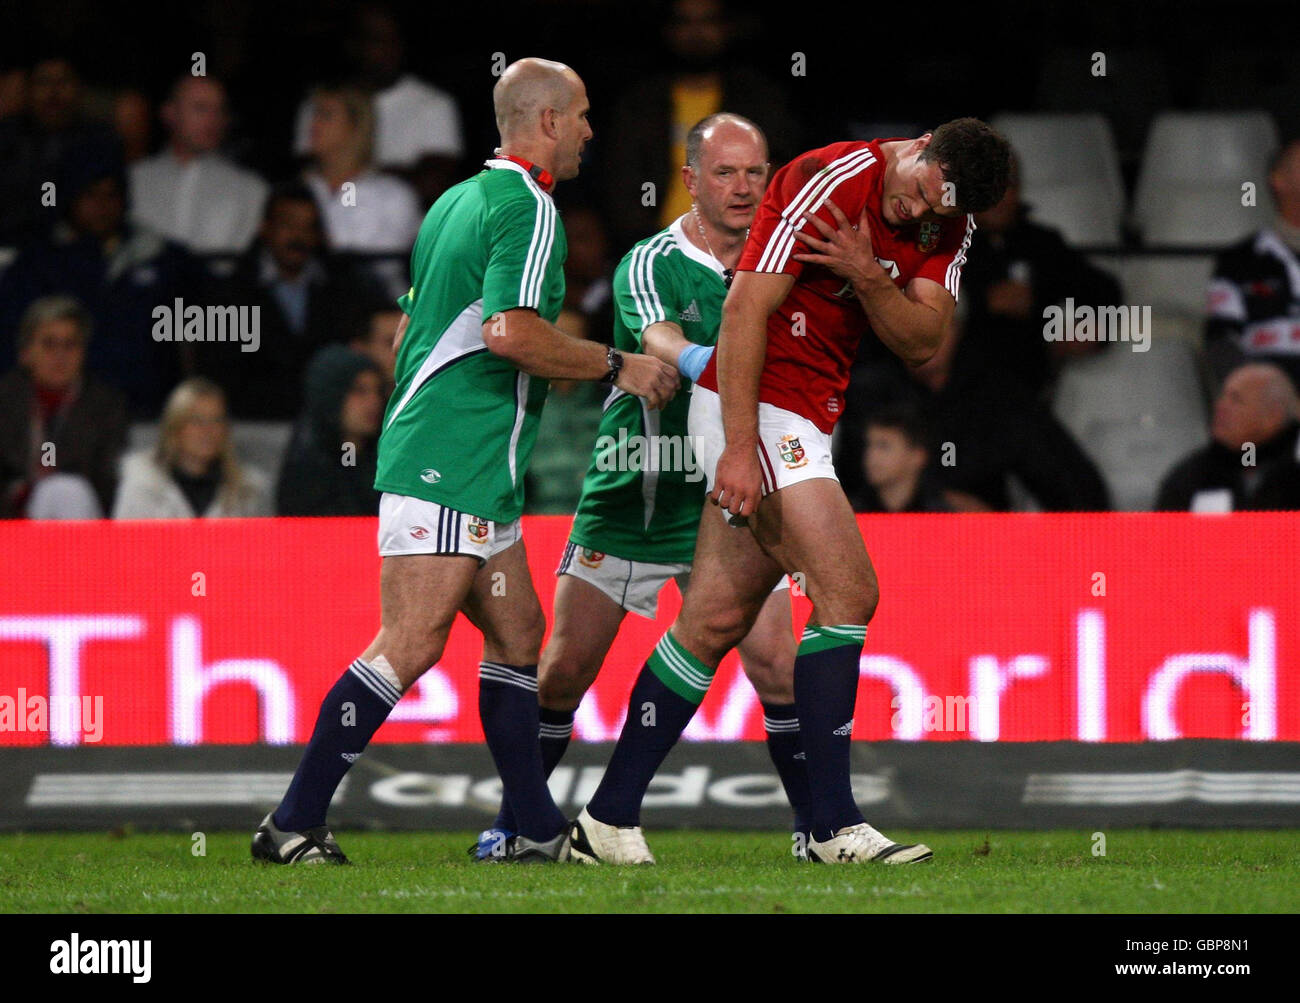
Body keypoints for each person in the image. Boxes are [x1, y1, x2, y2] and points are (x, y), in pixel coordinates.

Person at [252, 58, 677, 865]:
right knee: (409, 642)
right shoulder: (529, 206)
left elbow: (435, 321)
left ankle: (529, 829)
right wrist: (618, 365)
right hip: (453, 451)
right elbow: (510, 332)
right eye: (583, 114)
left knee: (519, 634)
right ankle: (293, 821)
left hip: (466, 459)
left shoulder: (455, 200)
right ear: (547, 121)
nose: (592, 129)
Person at [571, 119, 1011, 864]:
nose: (917, 213)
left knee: (710, 620)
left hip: (809, 411)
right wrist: (738, 449)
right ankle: (831, 825)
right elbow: (743, 310)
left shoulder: (950, 221)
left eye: (935, 210)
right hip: (756, 404)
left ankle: (605, 819)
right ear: (921, 146)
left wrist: (871, 275)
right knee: (850, 592)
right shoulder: (828, 177)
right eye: (915, 193)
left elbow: (921, 342)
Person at [481, 113, 811, 863]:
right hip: (633, 494)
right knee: (562, 671)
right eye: (724, 173)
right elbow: (656, 338)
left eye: (755, 172)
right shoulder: (650, 260)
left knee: (778, 665)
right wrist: (714, 368)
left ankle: (816, 825)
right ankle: (518, 823)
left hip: (727, 507)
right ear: (689, 180)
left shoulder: (786, 265)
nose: (742, 187)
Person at [195, 182, 384, 420]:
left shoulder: (345, 290)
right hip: (251, 425)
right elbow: (217, 374)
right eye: (288, 224)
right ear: (265, 228)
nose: (298, 236)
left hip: (329, 426)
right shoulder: (228, 293)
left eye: (309, 227)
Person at [0, 296, 127, 519]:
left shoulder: (106, 406)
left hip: (78, 513)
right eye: (49, 344)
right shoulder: (5, 399)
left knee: (63, 490)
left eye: (70, 345)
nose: (60, 355)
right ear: (25, 353)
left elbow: (107, 481)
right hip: (11, 519)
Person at [128, 75, 268, 254]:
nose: (213, 119)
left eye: (220, 110)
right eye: (201, 108)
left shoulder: (252, 189)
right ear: (169, 113)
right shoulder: (134, 180)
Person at [1206, 139, 1300, 391]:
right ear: (1278, 180)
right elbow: (1222, 342)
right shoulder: (1240, 260)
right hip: (1269, 416)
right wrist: (1265, 400)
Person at [113, 377, 270, 518]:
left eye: (216, 420)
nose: (208, 430)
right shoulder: (141, 487)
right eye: (196, 420)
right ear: (175, 426)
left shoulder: (249, 492)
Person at [1155, 363, 1300, 511]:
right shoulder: (1191, 477)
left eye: (1236, 399)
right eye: (1223, 396)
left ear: (1273, 415)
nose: (1221, 407)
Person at [301, 85, 422, 256]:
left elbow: (387, 268)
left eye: (326, 115)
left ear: (356, 126)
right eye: (314, 114)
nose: (314, 123)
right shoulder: (300, 189)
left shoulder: (392, 196)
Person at [275, 345, 387, 517]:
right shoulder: (307, 469)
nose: (374, 401)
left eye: (377, 391)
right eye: (359, 391)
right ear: (332, 395)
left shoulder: (381, 458)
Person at [851, 403, 961, 513]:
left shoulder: (941, 516)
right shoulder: (849, 513)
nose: (871, 455)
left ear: (917, 456)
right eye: (869, 445)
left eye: (883, 446)